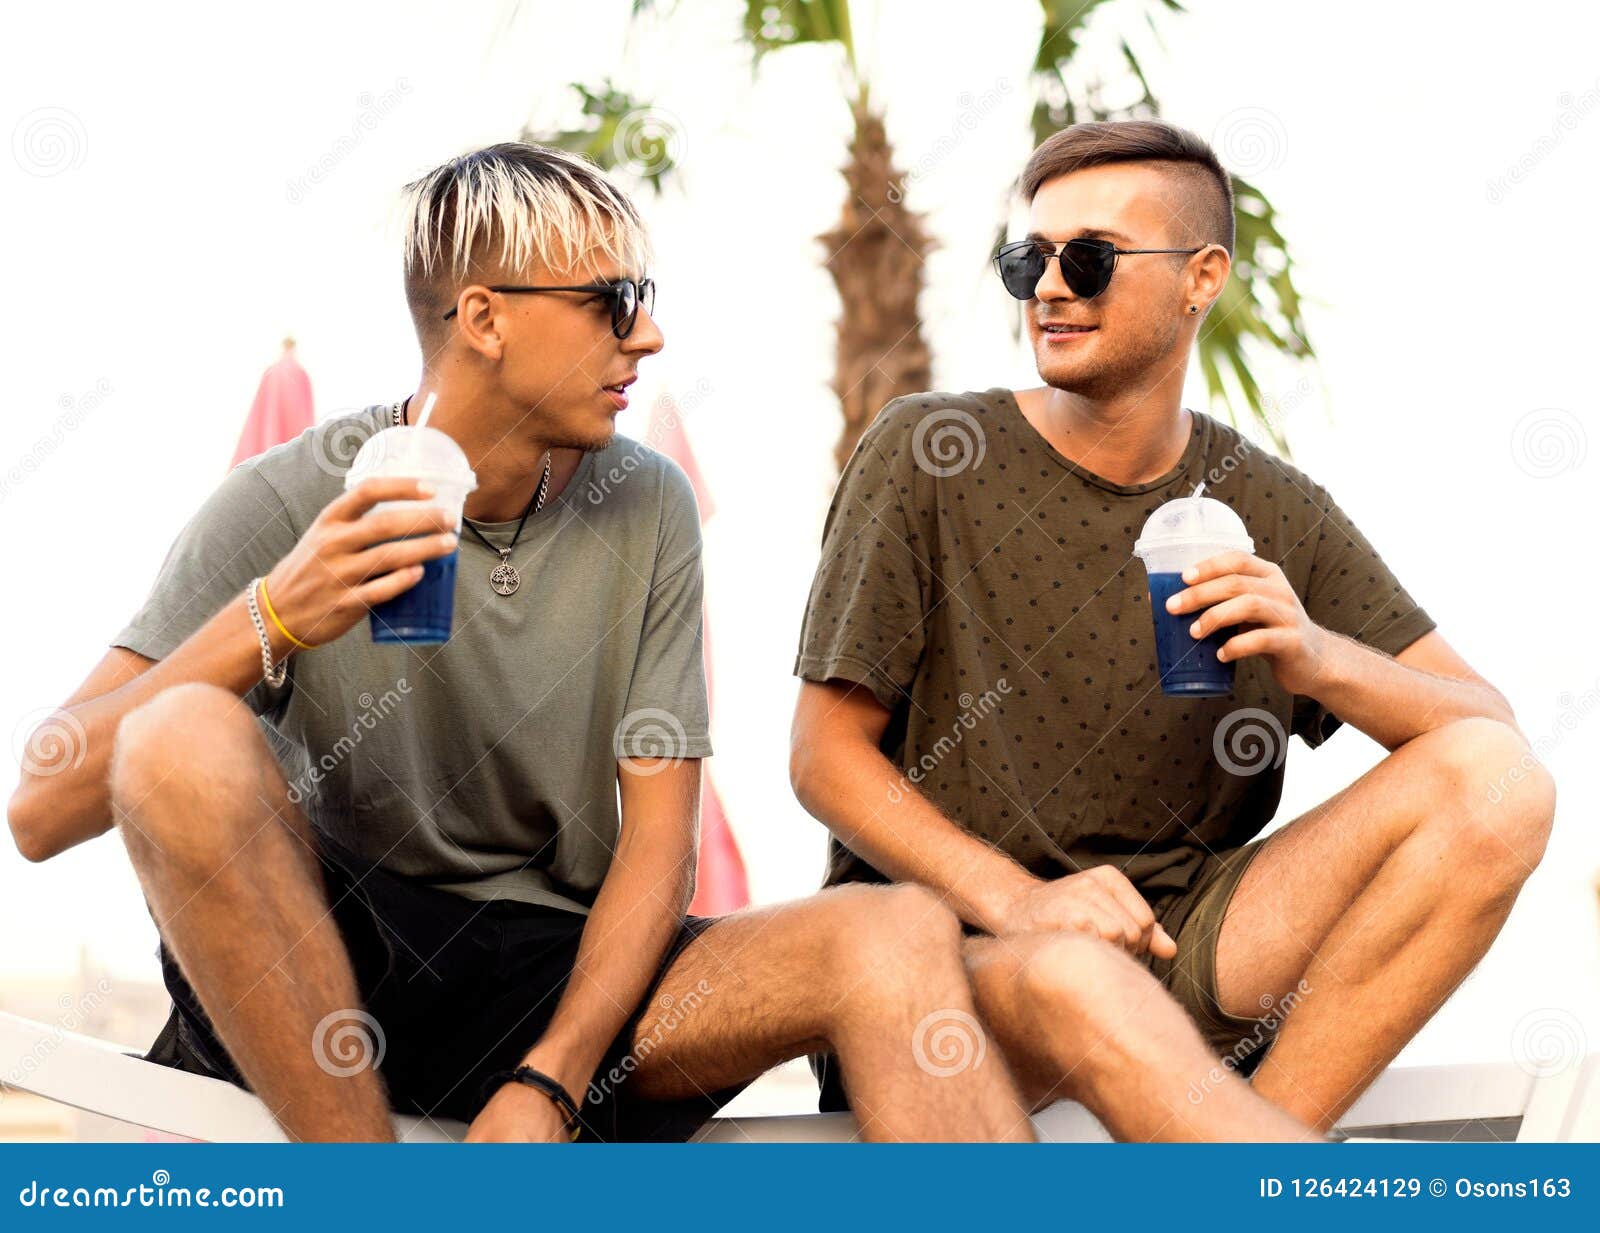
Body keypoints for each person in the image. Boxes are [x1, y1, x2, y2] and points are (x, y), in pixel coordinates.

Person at [7, 142, 1037, 1143]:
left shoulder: (645, 502)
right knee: (179, 732)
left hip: (563, 985)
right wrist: (274, 616)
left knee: (891, 929)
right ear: (485, 318)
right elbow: (43, 808)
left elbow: (658, 843)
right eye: (614, 299)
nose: (649, 336)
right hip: (327, 972)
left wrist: (553, 1079)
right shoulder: (288, 496)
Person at [790, 119, 1555, 1136]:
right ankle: (1244, 1179)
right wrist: (1020, 902)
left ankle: (1244, 1170)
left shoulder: (1272, 507)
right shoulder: (928, 452)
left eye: (1091, 257)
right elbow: (823, 760)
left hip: (1182, 951)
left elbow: (1484, 729)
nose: (1051, 288)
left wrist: (1318, 658)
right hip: (957, 981)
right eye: (1029, 260)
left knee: (1501, 784)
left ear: (1201, 278)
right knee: (1067, 975)